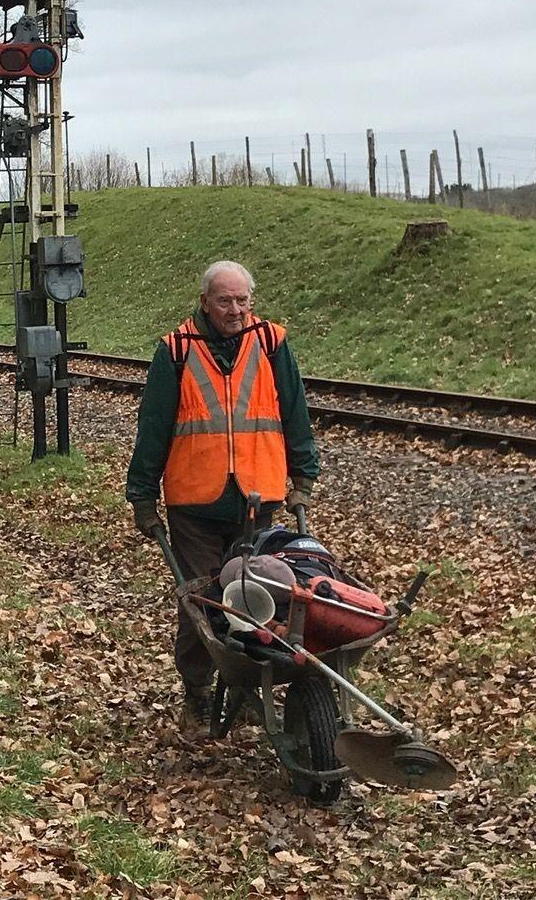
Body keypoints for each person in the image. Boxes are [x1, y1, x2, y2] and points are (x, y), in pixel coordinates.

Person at [126, 259, 320, 731]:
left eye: (242, 300)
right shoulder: (175, 350)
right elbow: (153, 426)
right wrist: (142, 494)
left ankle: (247, 682)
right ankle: (197, 689)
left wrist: (304, 476)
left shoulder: (271, 343)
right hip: (195, 499)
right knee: (205, 598)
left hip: (258, 494)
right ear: (204, 302)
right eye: (224, 300)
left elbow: (295, 410)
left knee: (258, 593)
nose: (234, 309)